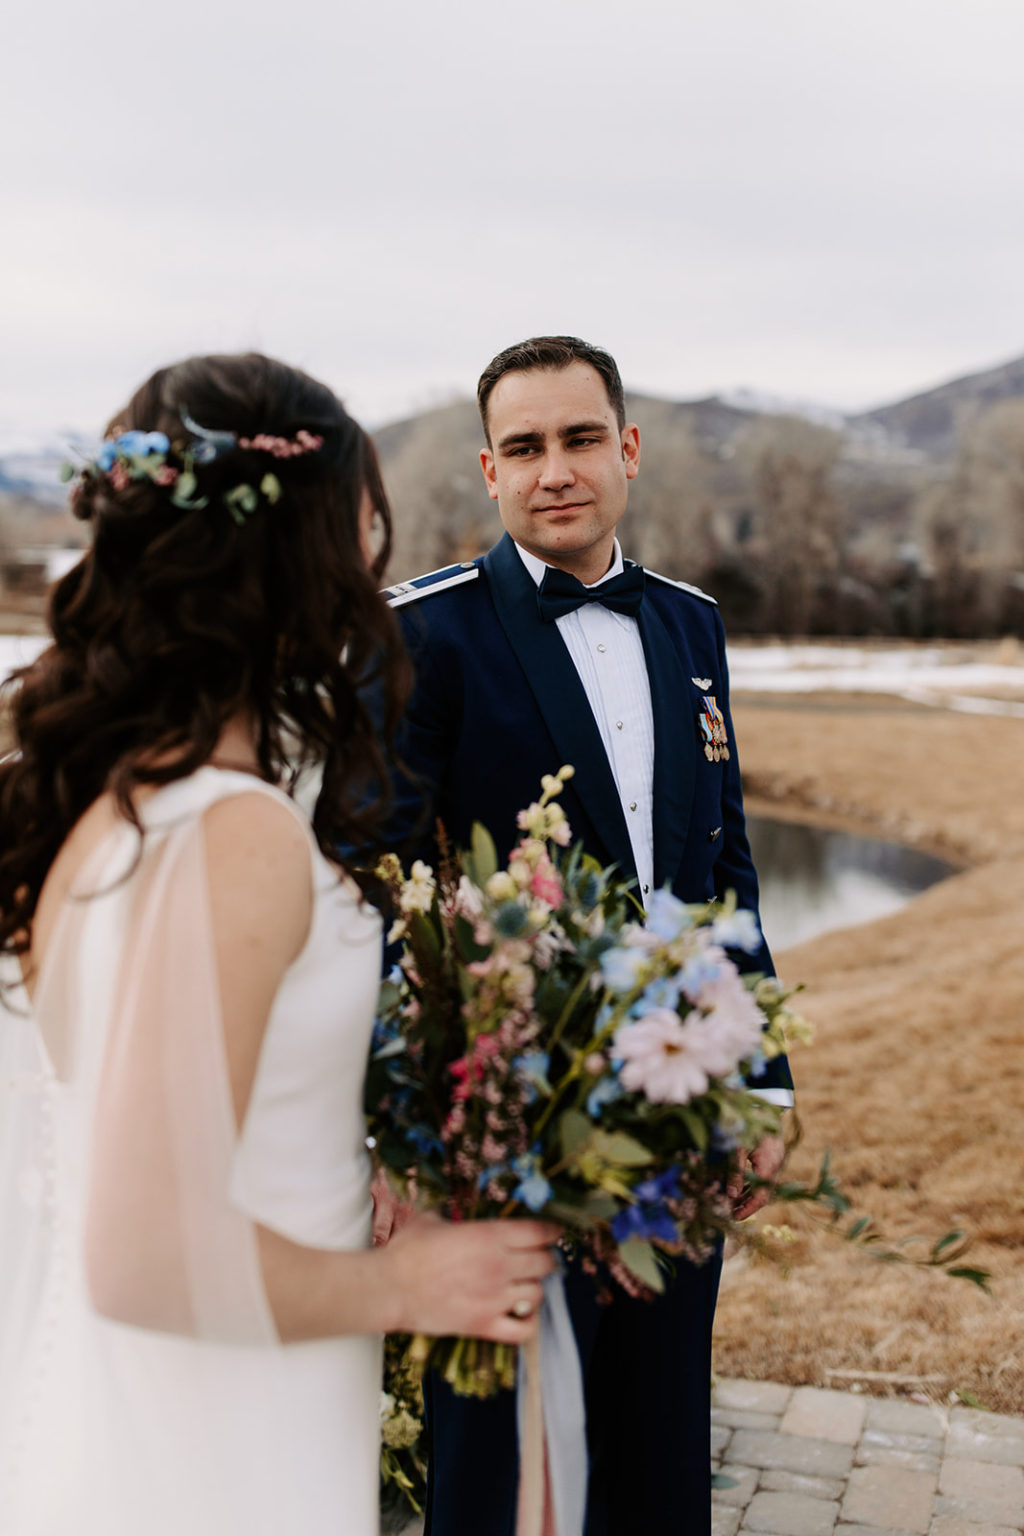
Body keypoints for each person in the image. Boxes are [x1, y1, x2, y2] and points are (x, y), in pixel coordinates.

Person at [0, 352, 558, 1536]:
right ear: (299, 554)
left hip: (177, 1405)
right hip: (218, 1442)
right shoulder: (229, 833)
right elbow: (145, 1254)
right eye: (361, 530)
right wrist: (411, 1284)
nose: (370, 571)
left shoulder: (110, 800)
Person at [379, 336, 795, 1536]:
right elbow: (378, 895)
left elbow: (725, 871)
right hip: (502, 1123)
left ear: (628, 450)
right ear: (488, 470)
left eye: (578, 439)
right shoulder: (425, 633)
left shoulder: (691, 625)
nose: (553, 470)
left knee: (657, 1457)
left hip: (679, 1112)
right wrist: (394, 1139)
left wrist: (763, 1084)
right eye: (523, 448)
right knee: (501, 1474)